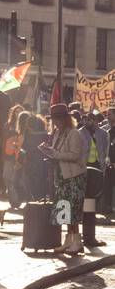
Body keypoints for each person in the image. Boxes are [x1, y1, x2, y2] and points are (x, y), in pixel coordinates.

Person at [39, 103, 87, 255]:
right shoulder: (57, 133)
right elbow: (56, 153)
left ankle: (77, 241)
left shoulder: (74, 133)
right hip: (61, 176)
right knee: (64, 210)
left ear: (65, 118)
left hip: (73, 177)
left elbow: (74, 155)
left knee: (73, 209)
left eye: (57, 119)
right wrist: (47, 151)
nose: (55, 122)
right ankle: (68, 240)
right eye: (54, 119)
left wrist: (53, 153)